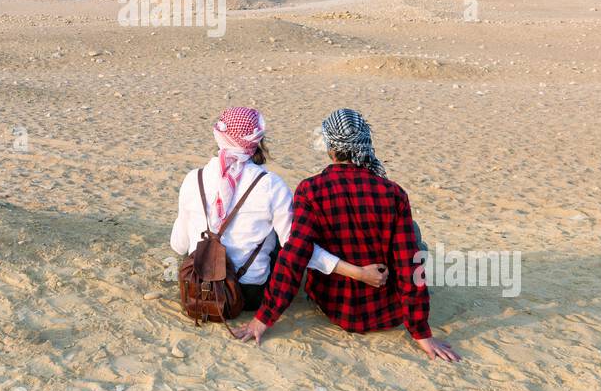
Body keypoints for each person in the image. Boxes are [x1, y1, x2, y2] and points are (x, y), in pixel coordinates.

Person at [231, 109, 460, 362]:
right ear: (366, 145)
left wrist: (263, 319)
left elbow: (294, 257)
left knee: (300, 241)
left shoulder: (311, 190)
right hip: (385, 312)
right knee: (413, 238)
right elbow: (409, 265)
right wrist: (421, 333)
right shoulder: (393, 193)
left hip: (334, 307)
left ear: (330, 148)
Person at [172, 107, 388, 311]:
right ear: (258, 141)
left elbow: (178, 245)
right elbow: (296, 247)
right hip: (248, 294)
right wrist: (357, 272)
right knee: (278, 234)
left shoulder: (193, 179)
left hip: (198, 285)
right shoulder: (271, 184)